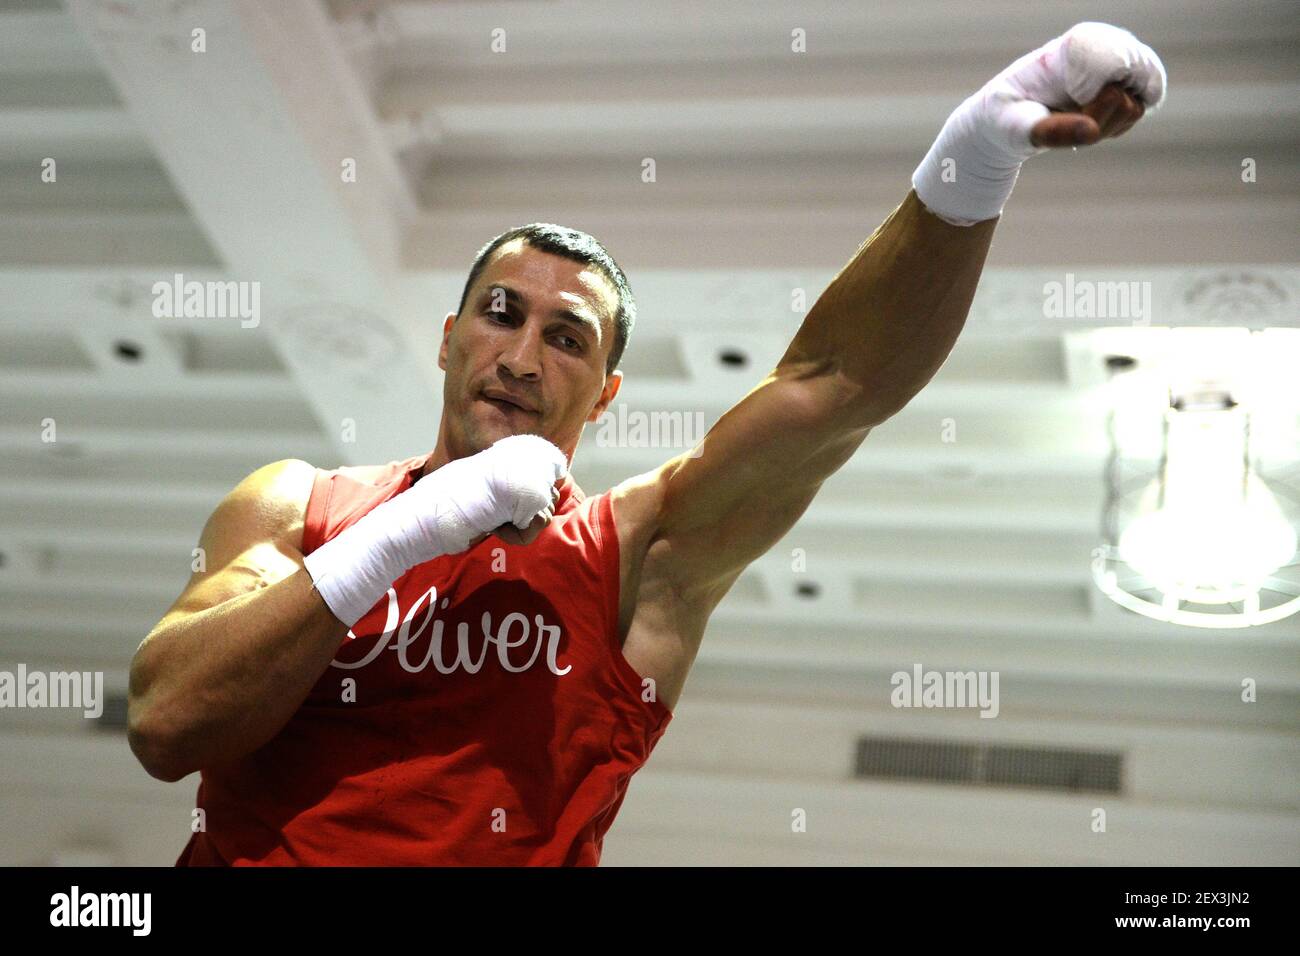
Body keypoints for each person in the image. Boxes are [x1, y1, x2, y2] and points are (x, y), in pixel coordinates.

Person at [127, 22, 1164, 865]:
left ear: (606, 394)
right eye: (499, 313)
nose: (522, 355)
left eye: (566, 336)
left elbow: (836, 387)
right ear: (448, 340)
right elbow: (168, 723)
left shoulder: (633, 557)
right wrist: (404, 533)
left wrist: (976, 151)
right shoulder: (297, 507)